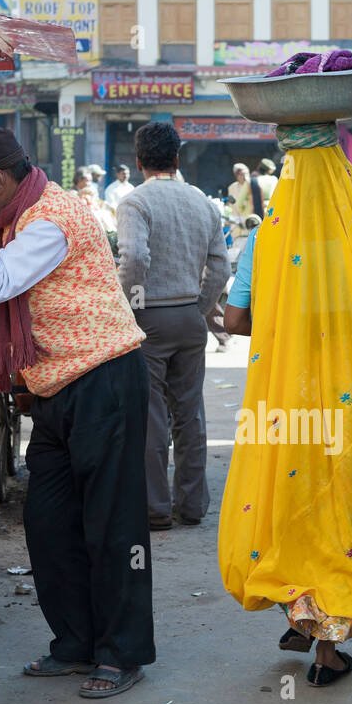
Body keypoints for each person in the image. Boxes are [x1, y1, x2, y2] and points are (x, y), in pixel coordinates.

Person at [0, 123, 155, 700]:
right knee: (49, 521)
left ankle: (120, 653)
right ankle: (76, 643)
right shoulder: (18, 219)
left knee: (111, 524)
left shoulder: (51, 217)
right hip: (58, 388)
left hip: (103, 379)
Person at [220, 115, 352, 688]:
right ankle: (326, 652)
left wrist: (285, 314)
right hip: (348, 397)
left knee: (290, 498)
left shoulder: (265, 236)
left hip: (285, 398)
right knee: (339, 505)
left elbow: (235, 320)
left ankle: (299, 611)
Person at [115, 121, 227, 531]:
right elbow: (220, 265)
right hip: (190, 318)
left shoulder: (135, 203)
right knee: (190, 412)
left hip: (149, 319)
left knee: (151, 415)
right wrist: (201, 306)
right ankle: (193, 505)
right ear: (177, 160)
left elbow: (133, 258)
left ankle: (156, 508)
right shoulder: (202, 202)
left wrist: (131, 304)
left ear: (139, 161)